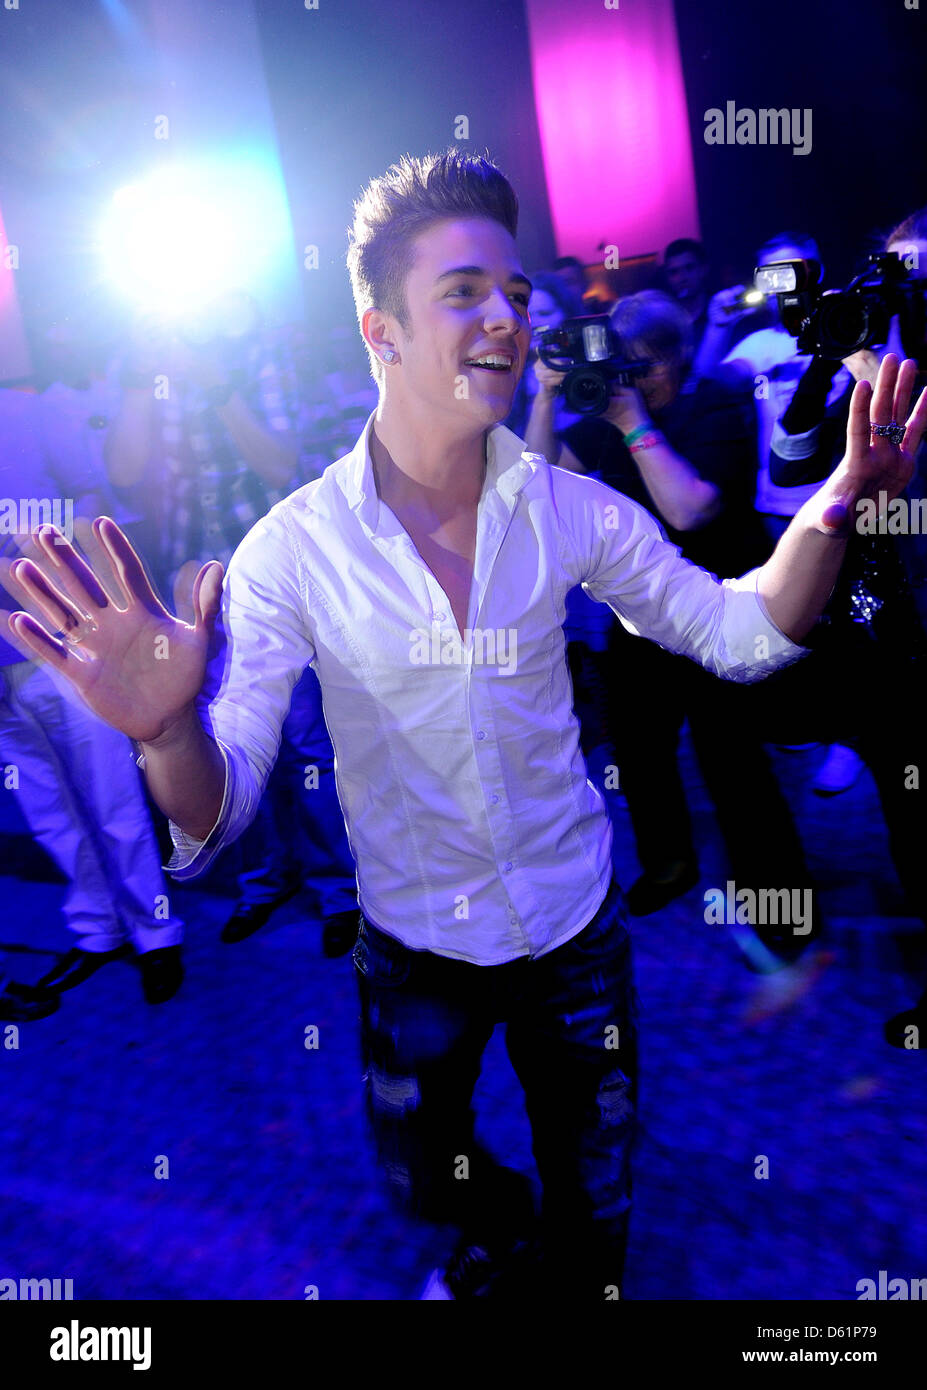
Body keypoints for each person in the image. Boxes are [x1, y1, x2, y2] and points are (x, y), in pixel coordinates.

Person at [6, 151, 924, 1297]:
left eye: (515, 294)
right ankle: (498, 1224)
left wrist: (836, 505)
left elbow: (738, 632)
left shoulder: (567, 507)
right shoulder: (292, 547)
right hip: (412, 948)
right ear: (378, 328)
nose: (506, 317)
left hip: (572, 930)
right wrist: (163, 735)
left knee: (600, 1213)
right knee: (421, 1183)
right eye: (462, 292)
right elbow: (225, 802)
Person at [530, 290, 818, 967]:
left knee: (732, 765)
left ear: (671, 359)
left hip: (717, 610)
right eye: (617, 366)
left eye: (639, 366)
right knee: (638, 755)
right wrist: (544, 398)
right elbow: (535, 487)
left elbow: (689, 510)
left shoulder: (713, 402)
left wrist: (630, 420)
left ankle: (781, 907)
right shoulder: (604, 407)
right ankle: (666, 866)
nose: (627, 379)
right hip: (634, 621)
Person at [768, 207, 927, 1048]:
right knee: (910, 824)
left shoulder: (903, 377)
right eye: (891, 270)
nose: (901, 287)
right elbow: (787, 463)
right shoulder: (863, 371)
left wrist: (883, 372)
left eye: (915, 272)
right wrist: (826, 364)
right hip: (883, 649)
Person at [0, 385, 185, 1007]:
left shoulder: (26, 408)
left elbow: (95, 501)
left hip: (64, 642)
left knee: (110, 795)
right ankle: (96, 929)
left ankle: (156, 934)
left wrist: (37, 541)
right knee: (46, 808)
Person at [721, 233, 863, 795]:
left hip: (841, 504)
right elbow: (706, 380)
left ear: (817, 269)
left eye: (792, 270)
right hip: (775, 506)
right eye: (768, 273)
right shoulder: (759, 345)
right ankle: (809, 721)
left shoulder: (850, 327)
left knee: (849, 621)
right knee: (792, 621)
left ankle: (851, 736)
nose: (782, 283)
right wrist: (716, 321)